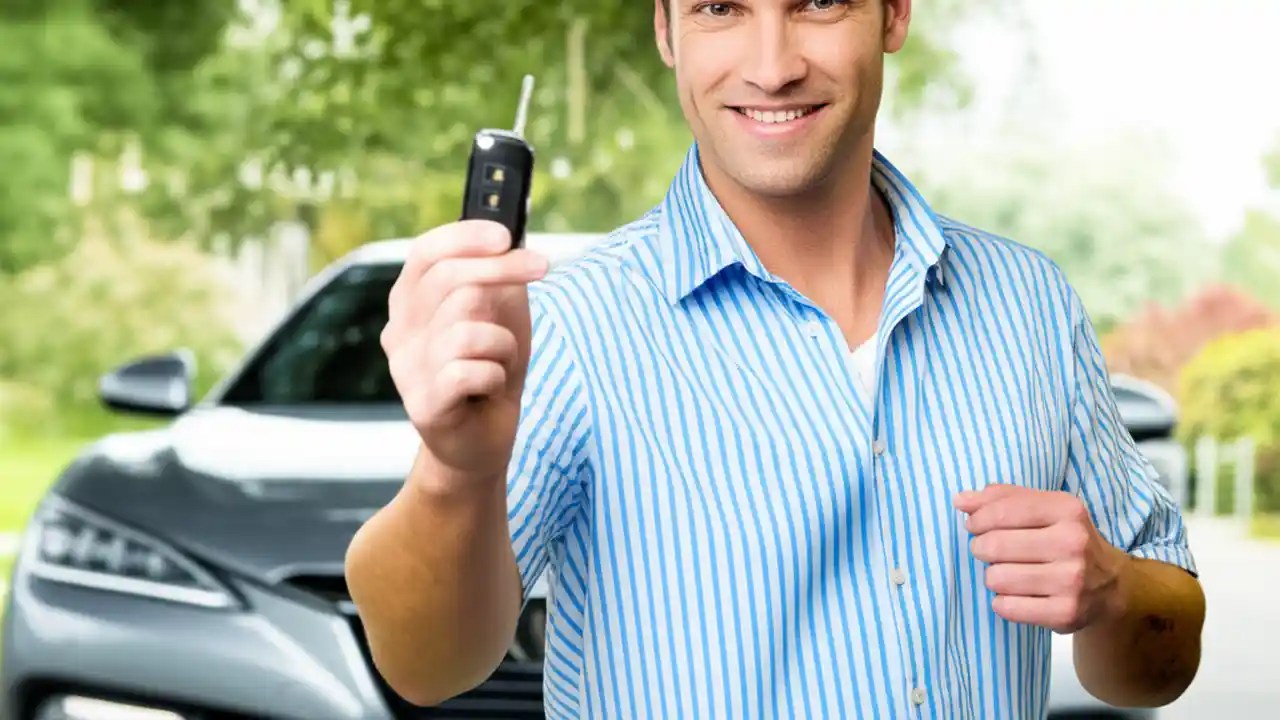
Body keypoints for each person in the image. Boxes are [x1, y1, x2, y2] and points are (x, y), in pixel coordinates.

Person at [344, 0, 1206, 717]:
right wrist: (455, 472)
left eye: (818, 2)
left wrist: (1114, 592)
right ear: (667, 30)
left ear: (894, 13)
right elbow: (427, 668)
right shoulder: (568, 326)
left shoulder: (1029, 304)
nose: (772, 65)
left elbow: (1162, 663)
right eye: (722, 7)